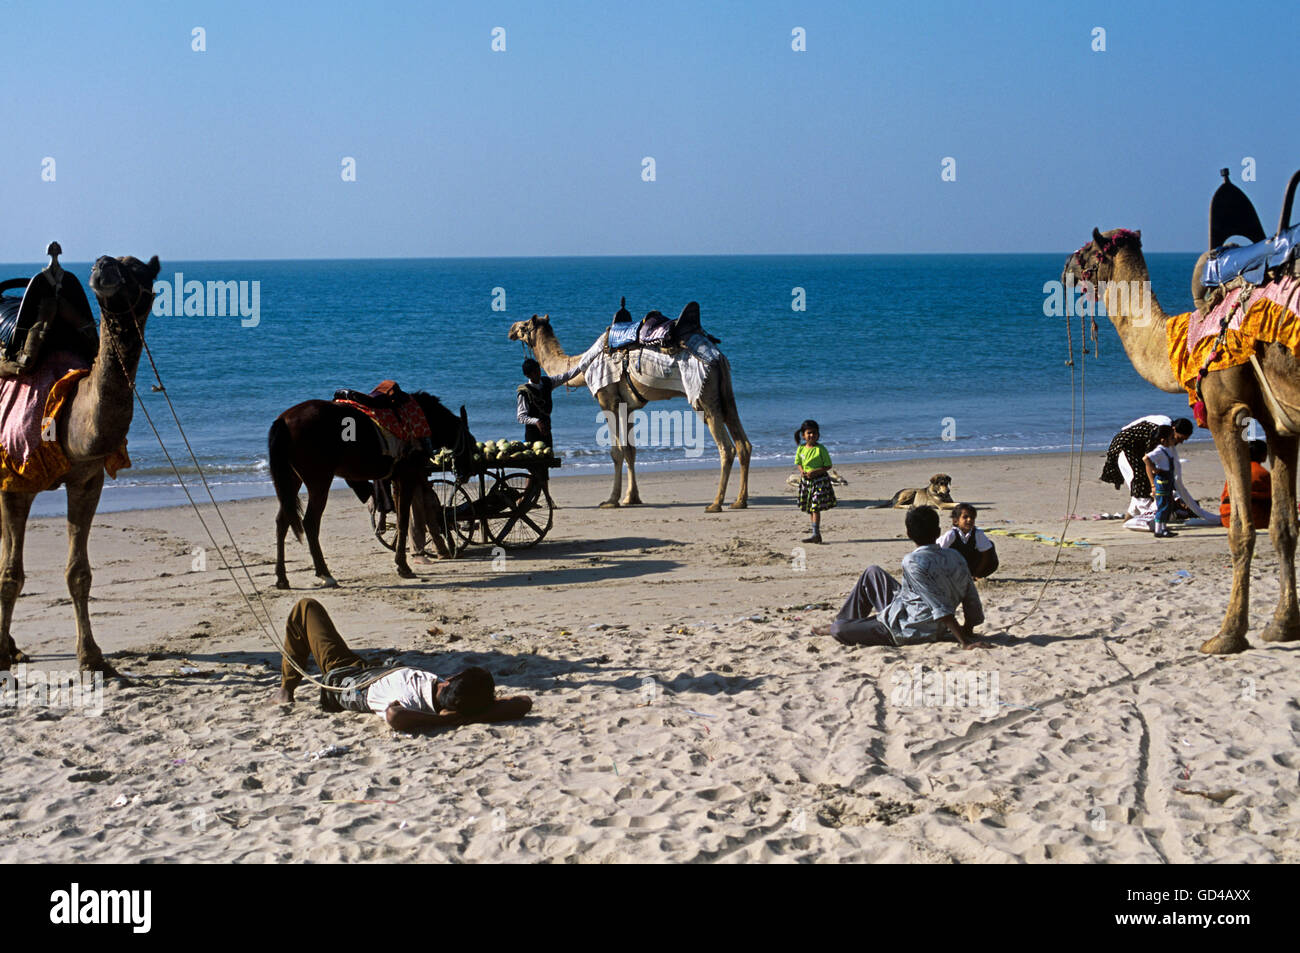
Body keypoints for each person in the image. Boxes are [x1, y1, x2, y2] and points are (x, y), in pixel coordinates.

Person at [275, 598, 532, 730]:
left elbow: (394, 716)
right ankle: (287, 686)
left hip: (346, 678)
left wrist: (445, 722)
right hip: (370, 671)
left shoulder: (414, 703)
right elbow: (524, 702)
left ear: (450, 679)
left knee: (305, 608)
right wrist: (466, 716)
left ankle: (286, 688)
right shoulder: (455, 703)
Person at [813, 506, 987, 649]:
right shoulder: (955, 556)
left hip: (909, 629)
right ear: (938, 532)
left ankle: (845, 624)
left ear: (908, 534)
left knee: (838, 629)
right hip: (906, 607)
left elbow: (939, 606)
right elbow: (970, 596)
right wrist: (969, 626)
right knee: (872, 573)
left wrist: (963, 641)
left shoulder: (913, 561)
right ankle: (849, 621)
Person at [1099, 414, 1216, 529]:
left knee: (1148, 487)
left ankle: (1128, 520)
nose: (1180, 443)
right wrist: (1153, 486)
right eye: (1180, 438)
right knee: (1140, 486)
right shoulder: (1159, 433)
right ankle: (1137, 520)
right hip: (1126, 447)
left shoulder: (1168, 436)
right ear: (1173, 430)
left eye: (1184, 440)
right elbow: (1147, 460)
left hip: (1140, 447)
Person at [517, 358, 580, 447]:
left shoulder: (547, 382)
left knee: (549, 456)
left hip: (547, 433)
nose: (538, 374)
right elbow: (521, 417)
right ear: (528, 375)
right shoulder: (524, 393)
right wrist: (536, 421)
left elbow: (567, 376)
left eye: (538, 370)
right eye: (534, 372)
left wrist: (583, 365)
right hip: (532, 436)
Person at [795, 419, 835, 544]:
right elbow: (798, 463)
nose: (812, 435)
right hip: (806, 482)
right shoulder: (801, 449)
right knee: (810, 508)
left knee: (815, 507)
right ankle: (815, 534)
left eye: (814, 433)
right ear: (803, 435)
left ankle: (816, 534)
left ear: (818, 434)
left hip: (819, 481)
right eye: (809, 433)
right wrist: (802, 471)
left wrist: (816, 472)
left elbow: (828, 466)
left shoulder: (820, 449)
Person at [1220, 439, 1272, 528]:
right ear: (1263, 455)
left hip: (1227, 519)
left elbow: (1223, 497)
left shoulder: (1234, 471)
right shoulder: (1262, 473)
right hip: (1254, 519)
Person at [938, 503, 999, 578]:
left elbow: (986, 554)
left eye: (972, 518)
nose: (969, 520)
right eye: (965, 517)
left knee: (990, 546)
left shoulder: (977, 533)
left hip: (970, 566)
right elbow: (937, 553)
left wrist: (977, 574)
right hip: (952, 567)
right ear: (955, 521)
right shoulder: (951, 535)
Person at [1144, 424, 1179, 538]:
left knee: (1168, 504)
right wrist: (1154, 469)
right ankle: (1158, 530)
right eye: (1171, 438)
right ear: (1164, 440)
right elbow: (1146, 458)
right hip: (1162, 480)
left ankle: (1164, 528)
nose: (1174, 440)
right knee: (1162, 505)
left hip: (1168, 479)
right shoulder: (1159, 450)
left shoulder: (1167, 450)